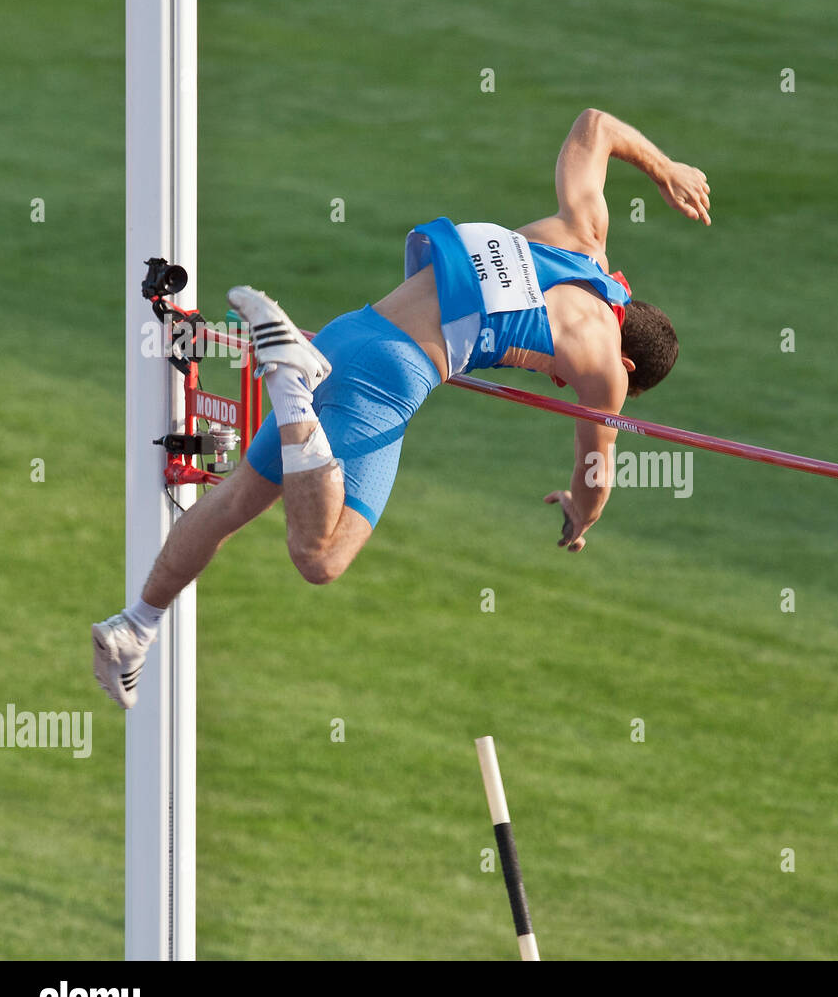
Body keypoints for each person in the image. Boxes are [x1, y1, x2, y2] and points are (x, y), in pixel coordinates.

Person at [92, 108, 711, 708]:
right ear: (631, 366)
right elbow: (596, 468)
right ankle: (289, 387)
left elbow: (594, 126)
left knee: (235, 502)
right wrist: (583, 512)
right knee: (320, 557)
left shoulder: (582, 234)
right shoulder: (606, 368)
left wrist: (665, 170)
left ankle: (135, 625)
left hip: (351, 331)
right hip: (392, 376)